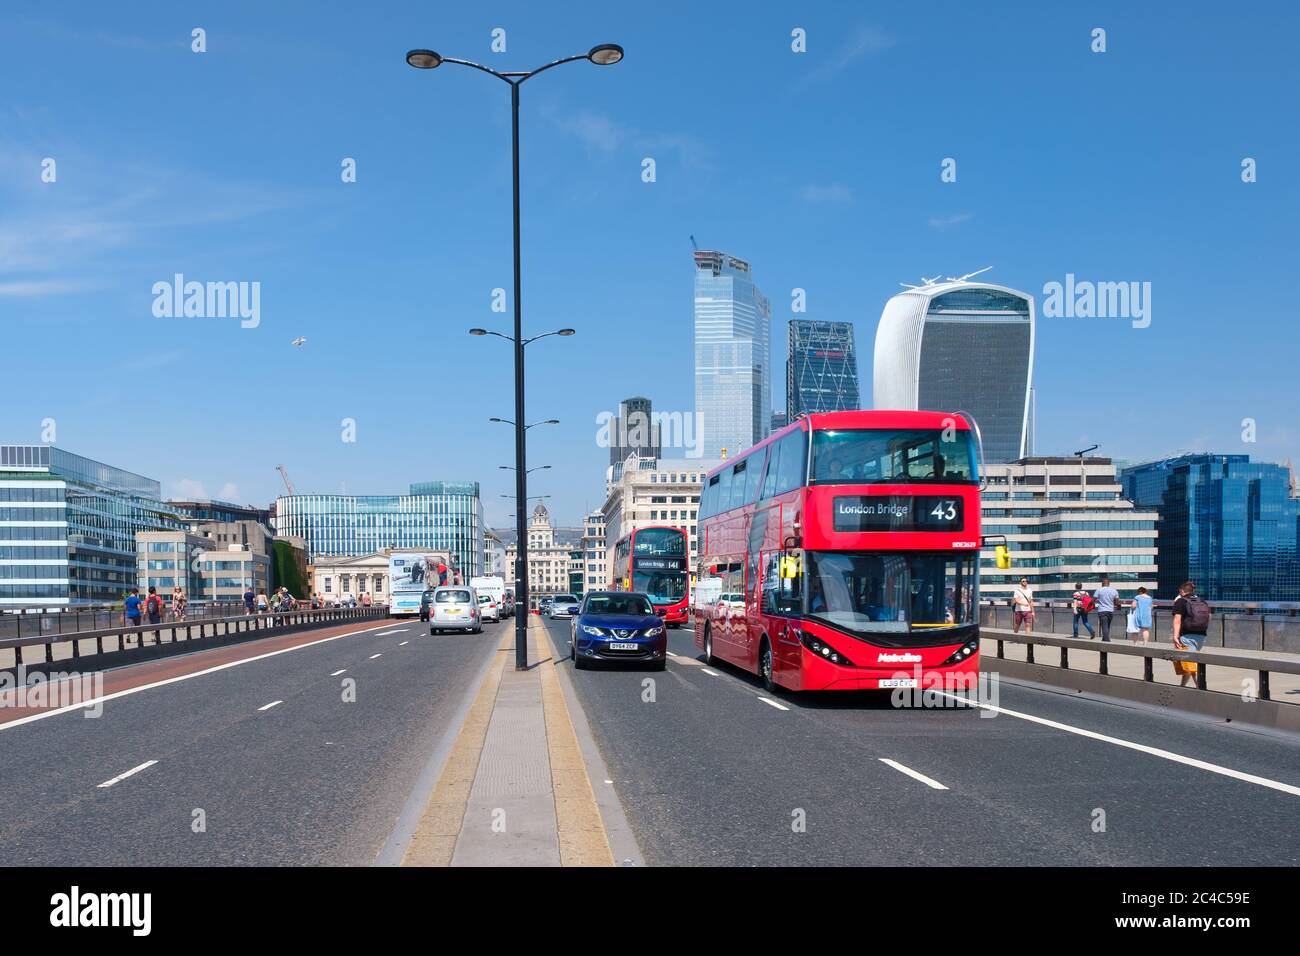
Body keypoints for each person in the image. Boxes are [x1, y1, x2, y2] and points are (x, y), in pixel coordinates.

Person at [1171, 580, 1210, 687]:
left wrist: (1175, 636)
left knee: (1191, 664)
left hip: (1186, 636)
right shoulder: (1202, 601)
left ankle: (1201, 687)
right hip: (1201, 636)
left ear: (1181, 591)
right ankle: (1183, 686)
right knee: (1189, 663)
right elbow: (1208, 617)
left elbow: (1177, 620)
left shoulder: (1181, 601)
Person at [1092, 576, 1120, 643]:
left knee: (1104, 626)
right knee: (1107, 626)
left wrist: (1095, 603)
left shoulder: (1099, 590)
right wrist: (1114, 605)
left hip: (1102, 610)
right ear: (1109, 583)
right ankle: (1104, 639)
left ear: (1102, 584)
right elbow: (1117, 602)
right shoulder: (1114, 590)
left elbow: (1093, 600)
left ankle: (1107, 641)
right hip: (1110, 610)